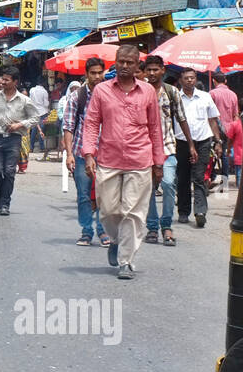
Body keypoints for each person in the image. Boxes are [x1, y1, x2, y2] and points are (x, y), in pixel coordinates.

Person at [81, 44, 164, 280]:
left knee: (133, 213)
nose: (125, 66)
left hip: (140, 160)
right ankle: (116, 240)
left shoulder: (148, 91)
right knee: (108, 211)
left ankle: (126, 261)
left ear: (138, 65)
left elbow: (155, 128)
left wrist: (158, 163)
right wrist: (89, 154)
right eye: (121, 62)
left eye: (130, 62)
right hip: (108, 159)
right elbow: (91, 123)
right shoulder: (102, 91)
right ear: (115, 63)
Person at [143, 56, 192, 247]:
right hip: (144, 149)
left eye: (156, 69)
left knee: (169, 184)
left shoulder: (172, 92)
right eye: (149, 70)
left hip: (168, 147)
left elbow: (181, 118)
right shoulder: (140, 92)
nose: (152, 73)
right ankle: (153, 227)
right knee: (147, 189)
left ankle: (167, 225)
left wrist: (191, 145)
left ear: (163, 70)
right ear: (145, 71)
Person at [61, 59, 109, 248]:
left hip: (106, 153)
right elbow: (68, 127)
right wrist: (70, 154)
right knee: (83, 195)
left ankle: (104, 231)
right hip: (82, 153)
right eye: (93, 73)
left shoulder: (110, 94)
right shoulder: (77, 97)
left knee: (105, 195)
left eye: (99, 73)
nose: (97, 77)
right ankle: (86, 231)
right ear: (86, 74)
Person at [0, 65, 40, 215]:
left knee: (9, 172)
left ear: (15, 82)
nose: (3, 82)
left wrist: (20, 124)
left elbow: (35, 118)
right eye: (3, 79)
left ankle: (5, 203)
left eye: (7, 80)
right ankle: (0, 193)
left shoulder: (24, 100)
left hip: (14, 139)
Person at [174, 66, 224, 228]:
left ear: (196, 79)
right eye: (186, 78)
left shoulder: (205, 97)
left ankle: (200, 211)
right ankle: (183, 211)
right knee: (183, 177)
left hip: (203, 141)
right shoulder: (175, 97)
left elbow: (212, 120)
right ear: (181, 80)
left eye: (192, 77)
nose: (190, 80)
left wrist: (218, 141)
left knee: (199, 177)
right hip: (180, 143)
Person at [210, 71, 240, 183]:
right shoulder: (233, 94)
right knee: (225, 154)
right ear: (225, 81)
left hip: (216, 128)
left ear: (214, 81)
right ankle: (225, 179)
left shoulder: (212, 93)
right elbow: (236, 114)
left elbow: (209, 114)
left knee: (213, 153)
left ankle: (211, 177)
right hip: (230, 128)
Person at [28, 81, 51, 154]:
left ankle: (31, 147)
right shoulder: (44, 91)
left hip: (34, 112)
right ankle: (41, 147)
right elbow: (46, 104)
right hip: (42, 112)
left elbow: (30, 100)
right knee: (41, 130)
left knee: (34, 130)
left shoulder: (32, 90)